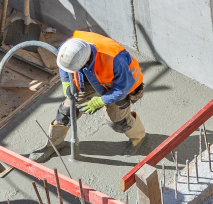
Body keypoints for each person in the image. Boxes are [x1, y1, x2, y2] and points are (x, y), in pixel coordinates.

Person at [28, 31, 145, 162]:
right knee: (66, 112)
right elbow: (64, 67)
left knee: (117, 122)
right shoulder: (68, 48)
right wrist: (67, 82)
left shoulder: (115, 60)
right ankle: (54, 144)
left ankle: (138, 137)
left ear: (84, 60)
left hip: (117, 84)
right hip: (88, 76)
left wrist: (101, 101)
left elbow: (123, 88)